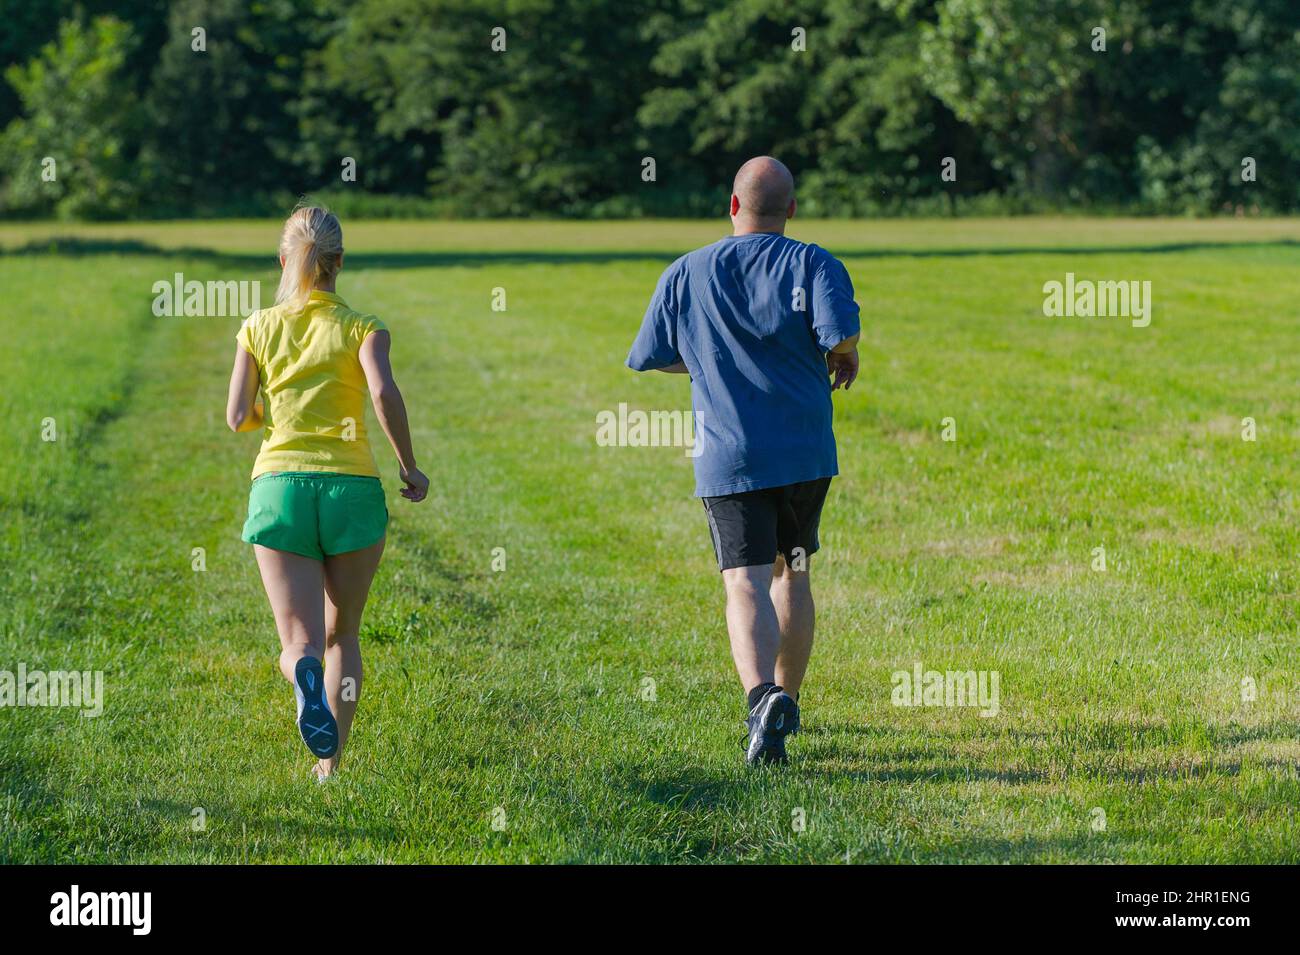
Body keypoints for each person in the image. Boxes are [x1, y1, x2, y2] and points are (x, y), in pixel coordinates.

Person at [626, 157, 860, 765]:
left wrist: (708, 361)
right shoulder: (814, 262)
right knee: (794, 571)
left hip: (730, 454)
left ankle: (761, 701)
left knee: (745, 578)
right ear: (792, 209)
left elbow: (649, 356)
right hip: (806, 452)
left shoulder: (686, 271)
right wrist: (845, 358)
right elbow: (839, 338)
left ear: (733, 206)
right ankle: (788, 703)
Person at [226, 205, 429, 781]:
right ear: (340, 263)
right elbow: (385, 394)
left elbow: (237, 414)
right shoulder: (365, 327)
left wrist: (276, 416)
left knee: (301, 641)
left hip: (279, 489)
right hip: (352, 491)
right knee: (344, 633)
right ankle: (329, 765)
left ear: (283, 260)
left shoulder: (258, 326)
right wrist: (409, 466)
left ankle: (303, 674)